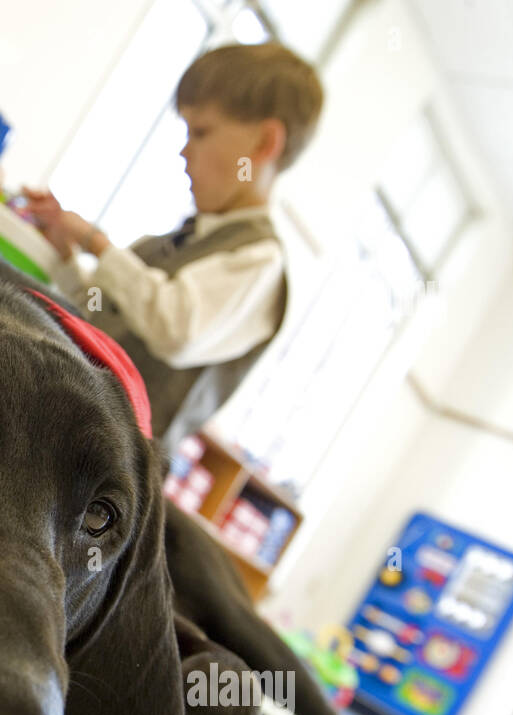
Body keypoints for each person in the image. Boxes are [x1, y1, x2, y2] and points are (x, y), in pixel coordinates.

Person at [24, 42, 324, 454]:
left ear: (265, 143)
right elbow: (93, 316)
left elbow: (176, 331)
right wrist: (65, 253)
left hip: (104, 461)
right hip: (55, 418)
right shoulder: (170, 245)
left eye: (200, 132)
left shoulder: (258, 261)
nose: (185, 151)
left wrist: (97, 243)